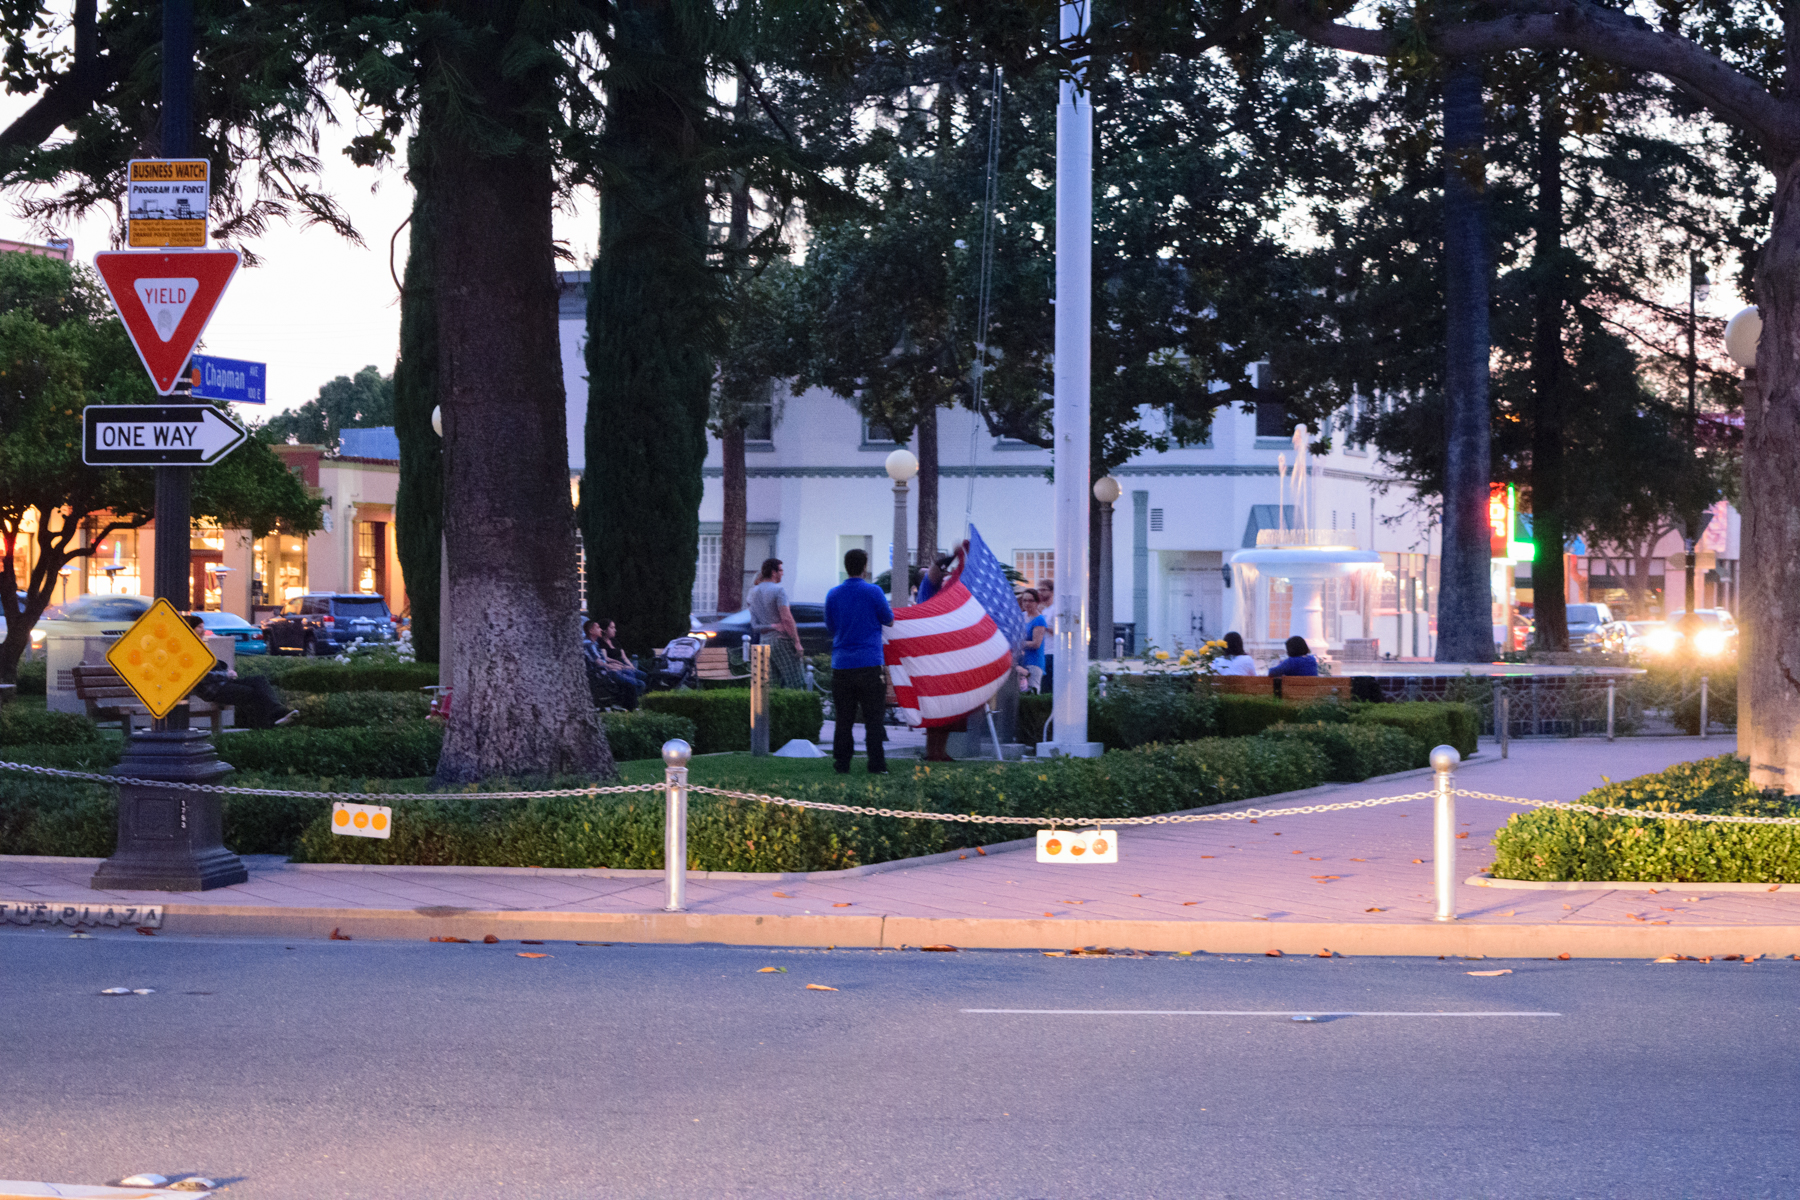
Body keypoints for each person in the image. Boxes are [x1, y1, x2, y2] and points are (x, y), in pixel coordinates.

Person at [824, 547, 894, 774]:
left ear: (846, 567)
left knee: (844, 718)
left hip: (842, 664)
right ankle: (876, 764)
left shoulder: (833, 594)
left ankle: (842, 763)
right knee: (874, 718)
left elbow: (831, 626)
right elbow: (889, 619)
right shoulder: (874, 592)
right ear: (865, 567)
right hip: (870, 663)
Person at [186, 614, 297, 728]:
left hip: (221, 684)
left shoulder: (199, 646)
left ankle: (278, 712)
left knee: (259, 680)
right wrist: (226, 674)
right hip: (213, 689)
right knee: (252, 692)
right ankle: (268, 724)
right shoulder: (190, 649)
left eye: (203, 627)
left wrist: (223, 668)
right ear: (190, 628)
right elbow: (201, 676)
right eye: (199, 627)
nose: (203, 630)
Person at [747, 557, 806, 689]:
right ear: (773, 572)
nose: (782, 573)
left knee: (770, 688)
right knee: (796, 683)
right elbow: (787, 618)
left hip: (763, 641)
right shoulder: (779, 590)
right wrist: (796, 642)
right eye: (780, 570)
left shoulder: (752, 593)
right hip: (781, 640)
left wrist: (769, 626)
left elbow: (754, 625)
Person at [588, 618, 648, 695]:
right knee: (639, 682)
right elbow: (603, 660)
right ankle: (633, 698)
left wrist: (631, 666)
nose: (615, 630)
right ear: (605, 630)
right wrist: (618, 665)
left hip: (619, 666)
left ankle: (640, 696)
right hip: (613, 670)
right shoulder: (597, 643)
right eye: (612, 628)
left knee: (643, 675)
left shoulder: (613, 641)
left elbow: (624, 657)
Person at [1019, 589, 1049, 692]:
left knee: (1032, 691)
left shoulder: (1039, 620)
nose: (1027, 603)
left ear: (1037, 602)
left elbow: (1036, 643)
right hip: (1021, 661)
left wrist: (1018, 644)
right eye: (1025, 600)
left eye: (1031, 601)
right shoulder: (1021, 616)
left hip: (1034, 662)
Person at [1036, 577, 1055, 691]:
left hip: (1051, 652)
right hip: (1041, 652)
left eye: (1044, 590)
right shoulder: (1044, 610)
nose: (1040, 593)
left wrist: (1042, 623)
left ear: (1051, 591)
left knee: (1047, 687)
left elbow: (1057, 632)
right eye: (1039, 590)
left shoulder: (1055, 609)